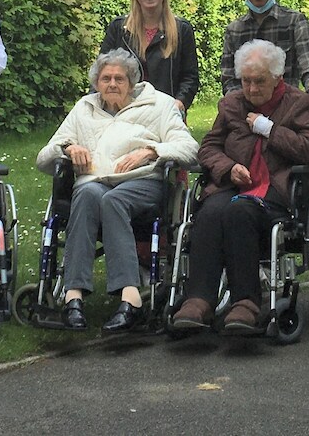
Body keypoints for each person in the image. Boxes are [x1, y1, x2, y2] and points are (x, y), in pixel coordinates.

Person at [36, 49, 198, 333]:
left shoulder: (158, 104)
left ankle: (130, 298)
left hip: (143, 183)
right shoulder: (84, 108)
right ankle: (73, 296)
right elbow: (43, 157)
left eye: (119, 79)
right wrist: (67, 148)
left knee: (113, 200)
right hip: (95, 182)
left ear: (132, 82)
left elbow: (190, 149)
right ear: (96, 82)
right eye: (106, 78)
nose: (112, 84)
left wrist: (151, 151)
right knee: (85, 195)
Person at [172, 40, 309, 332]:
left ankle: (246, 302)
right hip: (232, 186)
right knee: (209, 213)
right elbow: (209, 148)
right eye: (246, 81)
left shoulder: (298, 103)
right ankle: (199, 300)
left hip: (275, 192)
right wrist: (228, 169)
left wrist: (269, 129)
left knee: (239, 212)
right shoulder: (231, 104)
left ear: (278, 77)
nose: (252, 89)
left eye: (259, 81)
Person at [221, 0, 309, 123]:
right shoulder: (234, 30)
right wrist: (241, 109)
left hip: (288, 111)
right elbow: (229, 79)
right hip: (246, 114)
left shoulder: (294, 21)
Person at [100, 0, 200, 114]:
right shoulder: (119, 28)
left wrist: (180, 102)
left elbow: (190, 77)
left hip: (166, 112)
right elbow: (102, 70)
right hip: (124, 111)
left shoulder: (182, 29)